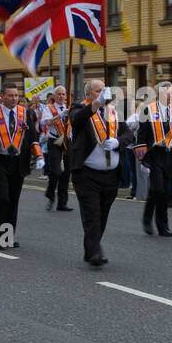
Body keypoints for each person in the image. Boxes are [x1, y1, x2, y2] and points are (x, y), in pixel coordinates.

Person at [69, 79, 134, 266]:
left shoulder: (113, 111)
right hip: (87, 174)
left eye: (104, 90)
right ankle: (95, 252)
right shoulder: (79, 108)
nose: (103, 93)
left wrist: (118, 142)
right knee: (92, 213)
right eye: (98, 91)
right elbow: (76, 120)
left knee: (103, 213)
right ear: (88, 95)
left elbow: (129, 135)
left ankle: (91, 248)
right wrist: (96, 104)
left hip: (111, 174)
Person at [0, 84, 44, 249]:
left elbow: (33, 135)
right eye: (10, 95)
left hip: (18, 161)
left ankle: (8, 235)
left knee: (13, 201)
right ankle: (1, 235)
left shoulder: (25, 113)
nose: (14, 98)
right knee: (3, 198)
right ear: (2, 96)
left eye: (16, 95)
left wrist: (38, 155)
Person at [134, 81, 172, 238]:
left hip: (170, 156)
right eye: (167, 93)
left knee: (164, 192)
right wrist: (142, 160)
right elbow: (141, 136)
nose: (170, 96)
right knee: (158, 189)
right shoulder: (148, 110)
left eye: (171, 93)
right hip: (154, 156)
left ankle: (162, 226)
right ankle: (151, 221)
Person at [40, 86, 73, 212]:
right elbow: (47, 122)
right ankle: (50, 193)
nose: (61, 96)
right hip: (54, 141)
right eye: (59, 94)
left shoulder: (68, 108)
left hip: (67, 141)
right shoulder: (49, 108)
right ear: (54, 96)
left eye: (63, 94)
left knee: (66, 173)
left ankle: (62, 203)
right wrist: (61, 115)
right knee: (55, 171)